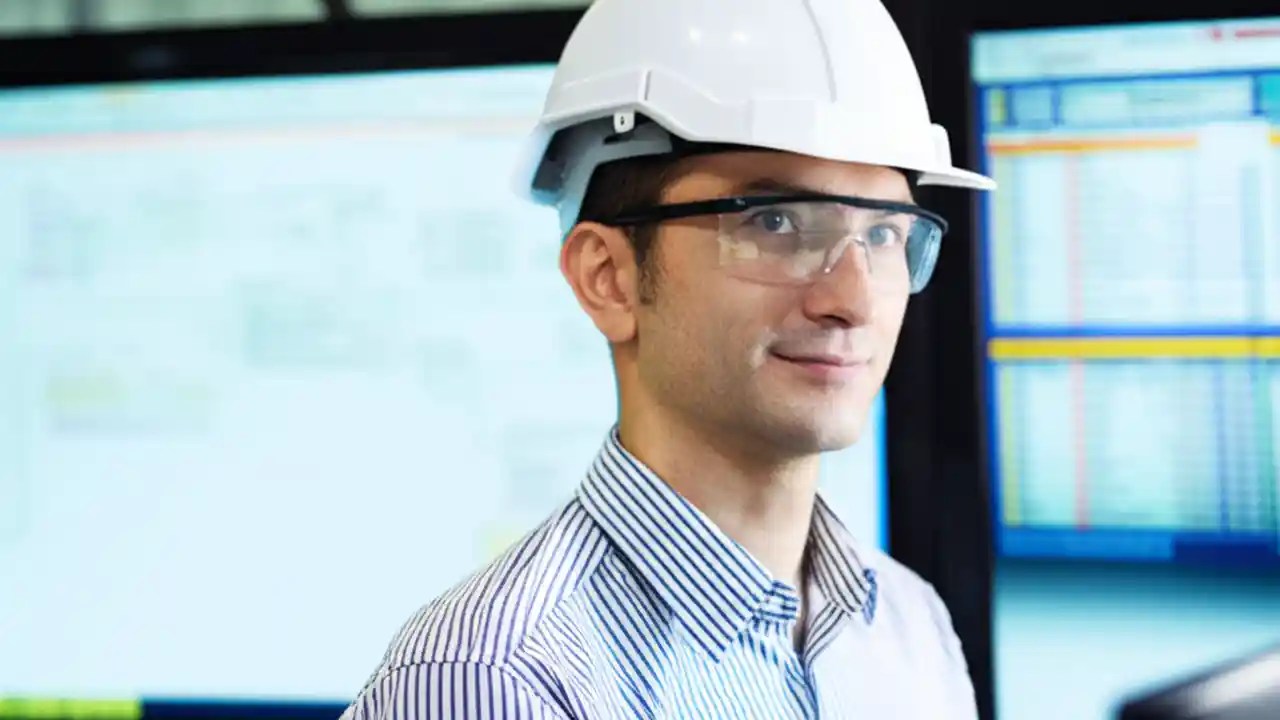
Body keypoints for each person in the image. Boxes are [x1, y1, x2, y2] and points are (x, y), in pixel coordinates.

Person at [341, 0, 995, 717]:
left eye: (884, 235)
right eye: (775, 222)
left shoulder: (908, 626)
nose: (854, 301)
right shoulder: (489, 684)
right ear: (607, 278)